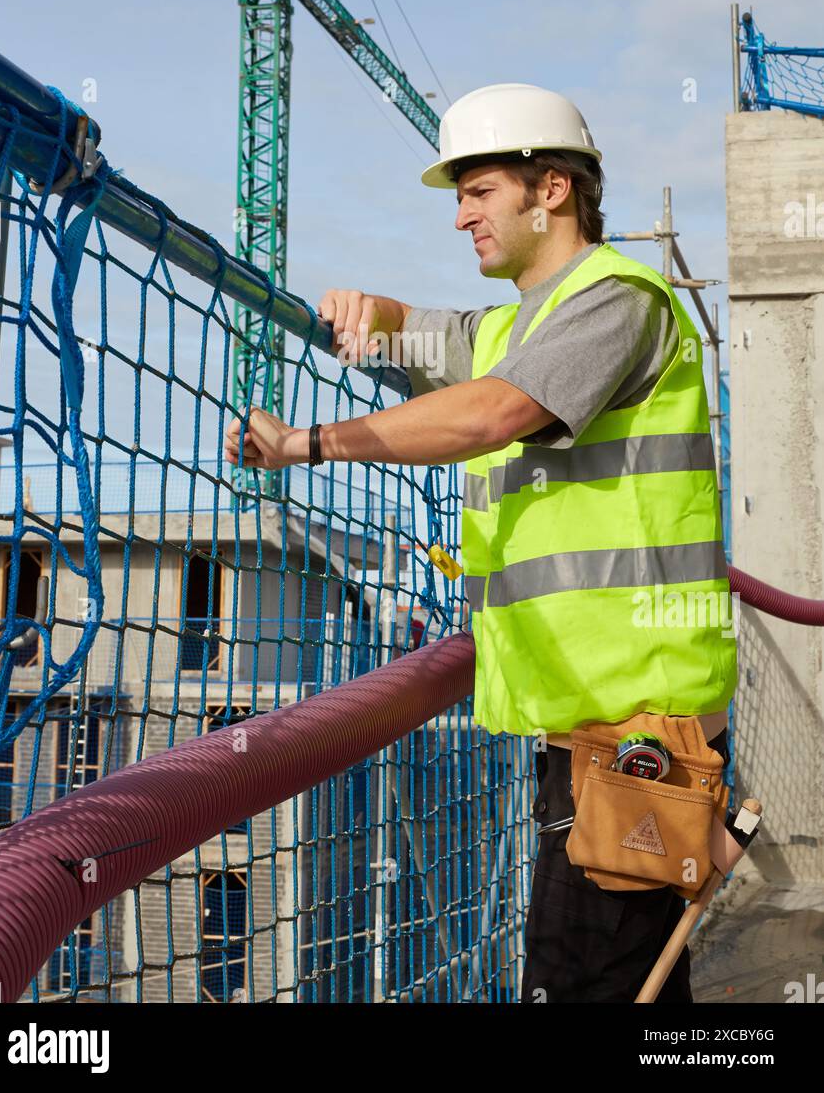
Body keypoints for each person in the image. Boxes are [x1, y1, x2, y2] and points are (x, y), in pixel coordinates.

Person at [223, 82, 738, 1003]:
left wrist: (306, 445)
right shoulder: (512, 323)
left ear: (553, 190)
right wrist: (363, 309)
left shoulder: (615, 300)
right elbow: (422, 332)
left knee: (588, 987)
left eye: (480, 191)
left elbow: (496, 409)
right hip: (587, 724)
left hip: (635, 729)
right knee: (625, 988)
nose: (460, 216)